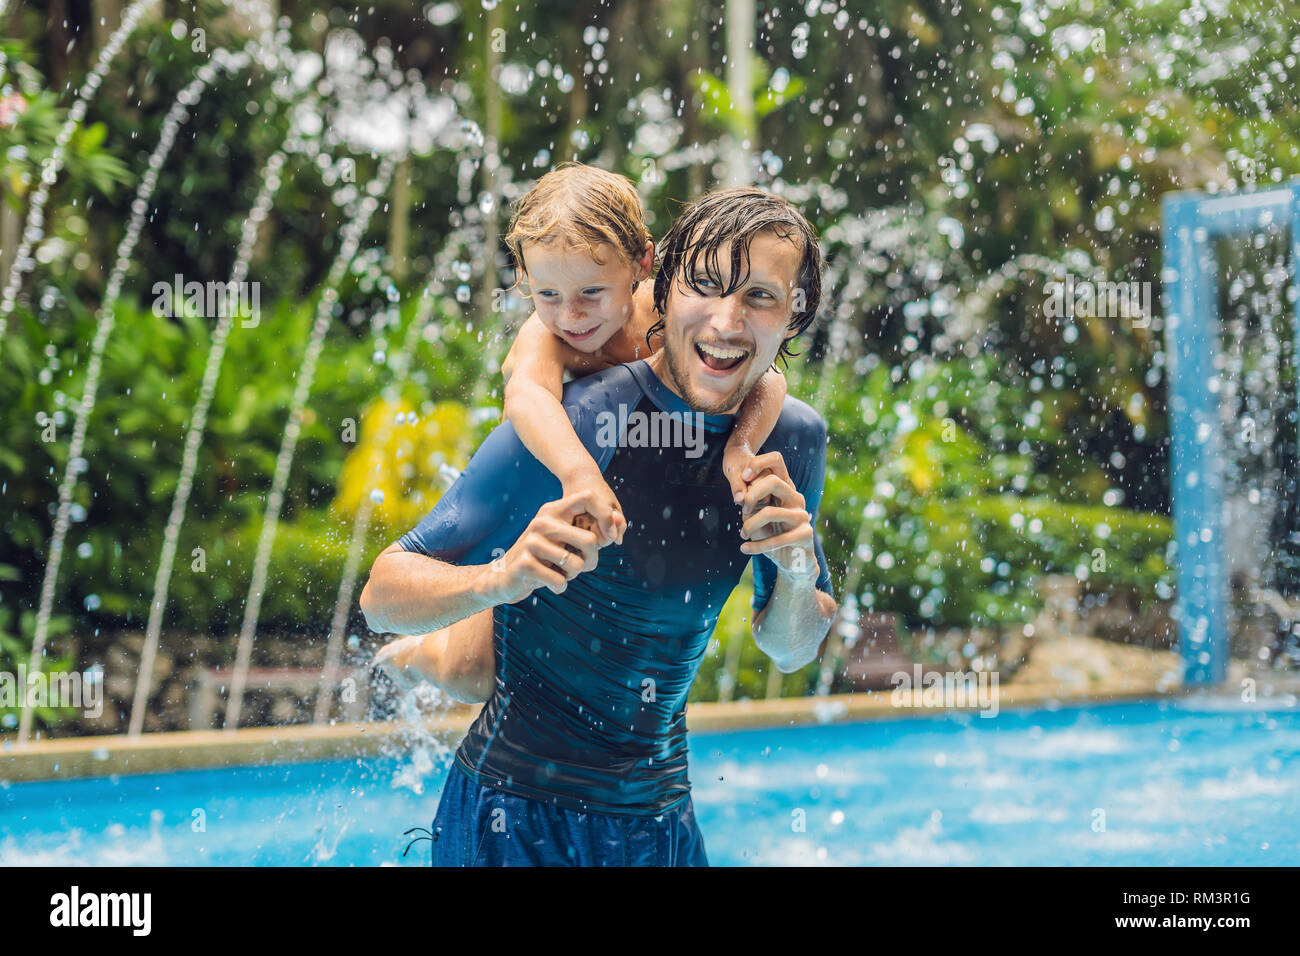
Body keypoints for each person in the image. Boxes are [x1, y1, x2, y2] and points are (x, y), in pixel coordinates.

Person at [359, 185, 838, 866]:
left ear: (796, 315)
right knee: (468, 659)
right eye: (705, 286)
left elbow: (790, 649)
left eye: (760, 296)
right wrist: (503, 576)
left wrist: (796, 571)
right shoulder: (581, 419)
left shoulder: (791, 442)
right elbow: (381, 595)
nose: (728, 322)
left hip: (659, 826)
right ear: (663, 288)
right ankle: (425, 659)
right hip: (512, 818)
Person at [375, 163, 789, 694]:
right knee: (472, 670)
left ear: (642, 262)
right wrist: (580, 475)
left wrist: (742, 447)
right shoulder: (545, 338)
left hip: (631, 486)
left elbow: (770, 380)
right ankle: (411, 656)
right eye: (546, 294)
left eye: (592, 292)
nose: (569, 314)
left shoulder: (670, 316)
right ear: (525, 279)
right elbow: (526, 395)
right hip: (538, 489)